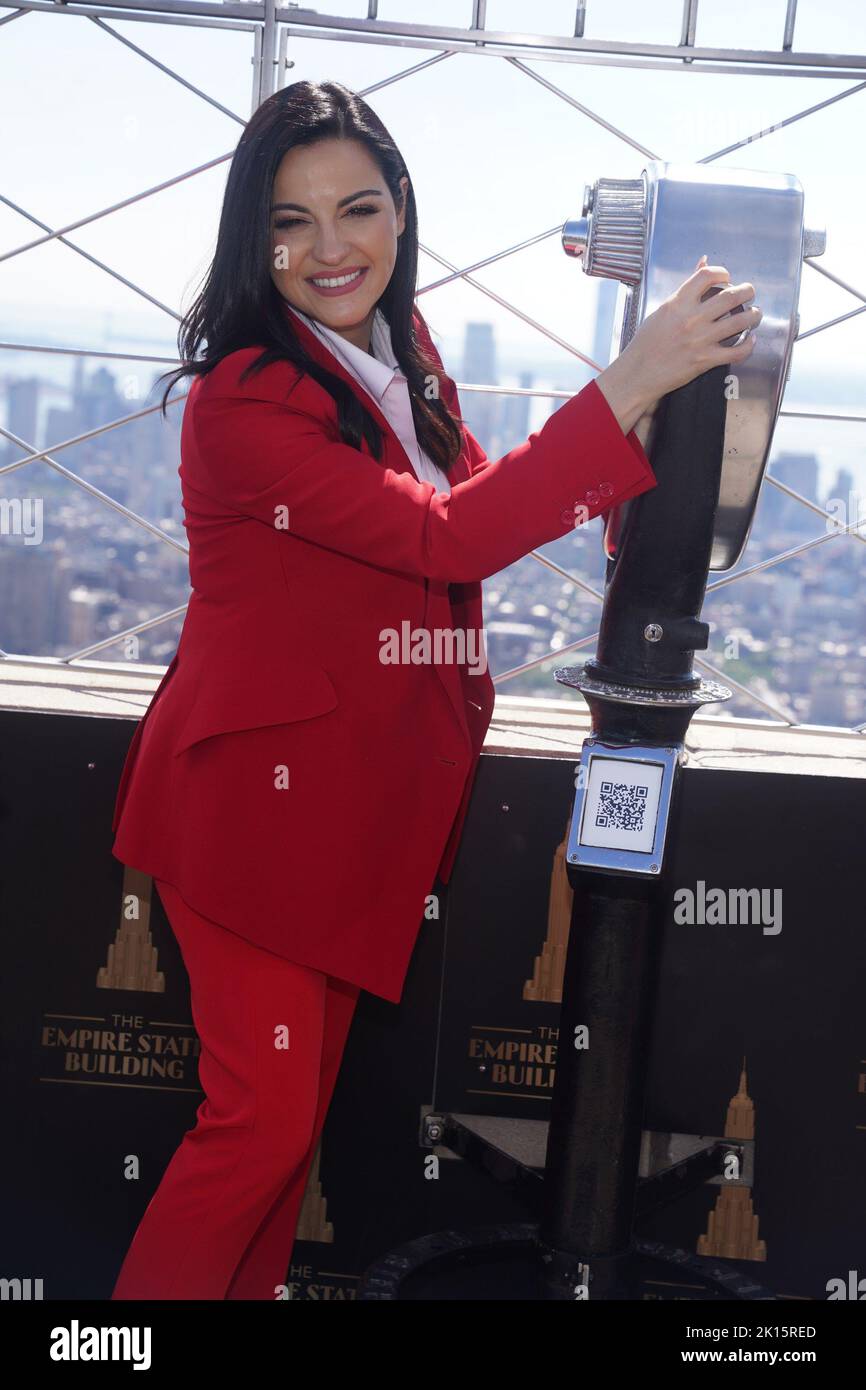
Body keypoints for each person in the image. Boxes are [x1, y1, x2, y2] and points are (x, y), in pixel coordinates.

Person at [109, 79, 761, 1300]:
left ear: (400, 210)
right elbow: (449, 538)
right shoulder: (248, 396)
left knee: (280, 1132)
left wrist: (640, 426)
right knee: (255, 1128)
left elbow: (497, 498)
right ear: (253, 240)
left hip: (345, 819)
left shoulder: (401, 363)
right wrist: (638, 370)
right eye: (289, 224)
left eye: (356, 208)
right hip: (253, 814)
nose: (329, 248)